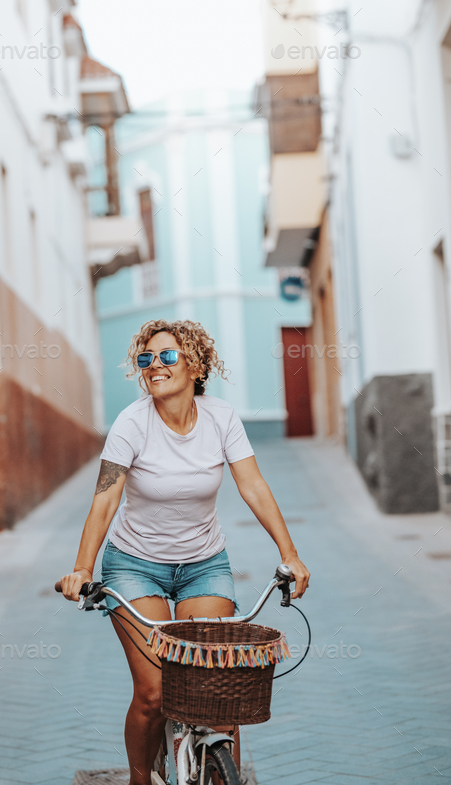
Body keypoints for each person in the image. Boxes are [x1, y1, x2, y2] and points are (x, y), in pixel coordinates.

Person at [59, 319, 310, 785]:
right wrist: (81, 569)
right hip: (134, 566)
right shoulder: (131, 424)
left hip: (203, 566)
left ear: (194, 364)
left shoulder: (221, 418)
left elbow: (252, 485)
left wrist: (289, 554)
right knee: (154, 691)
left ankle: (216, 770)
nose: (155, 365)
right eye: (146, 358)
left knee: (216, 690)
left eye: (168, 356)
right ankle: (139, 777)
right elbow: (106, 497)